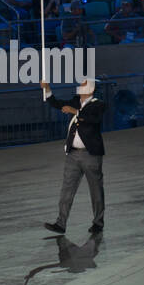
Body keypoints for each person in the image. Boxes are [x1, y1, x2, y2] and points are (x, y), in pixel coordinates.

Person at [41, 78, 106, 235]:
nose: (79, 87)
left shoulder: (98, 104)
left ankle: (98, 222)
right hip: (73, 154)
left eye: (83, 84)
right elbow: (58, 104)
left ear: (90, 89)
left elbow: (93, 119)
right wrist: (47, 90)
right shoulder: (76, 101)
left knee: (96, 190)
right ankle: (61, 223)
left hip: (90, 154)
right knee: (67, 190)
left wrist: (75, 112)